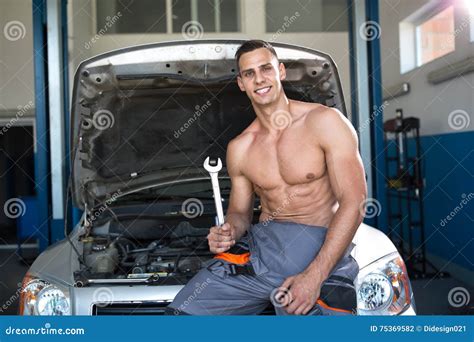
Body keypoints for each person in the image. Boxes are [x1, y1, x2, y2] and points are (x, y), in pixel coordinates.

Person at [167, 39, 367, 315]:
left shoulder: (325, 122)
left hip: (317, 252)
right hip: (261, 255)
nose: (259, 79)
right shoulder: (240, 147)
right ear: (241, 83)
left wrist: (314, 276)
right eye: (249, 73)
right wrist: (229, 232)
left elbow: (354, 201)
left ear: (281, 71)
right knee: (182, 315)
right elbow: (239, 213)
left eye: (266, 69)